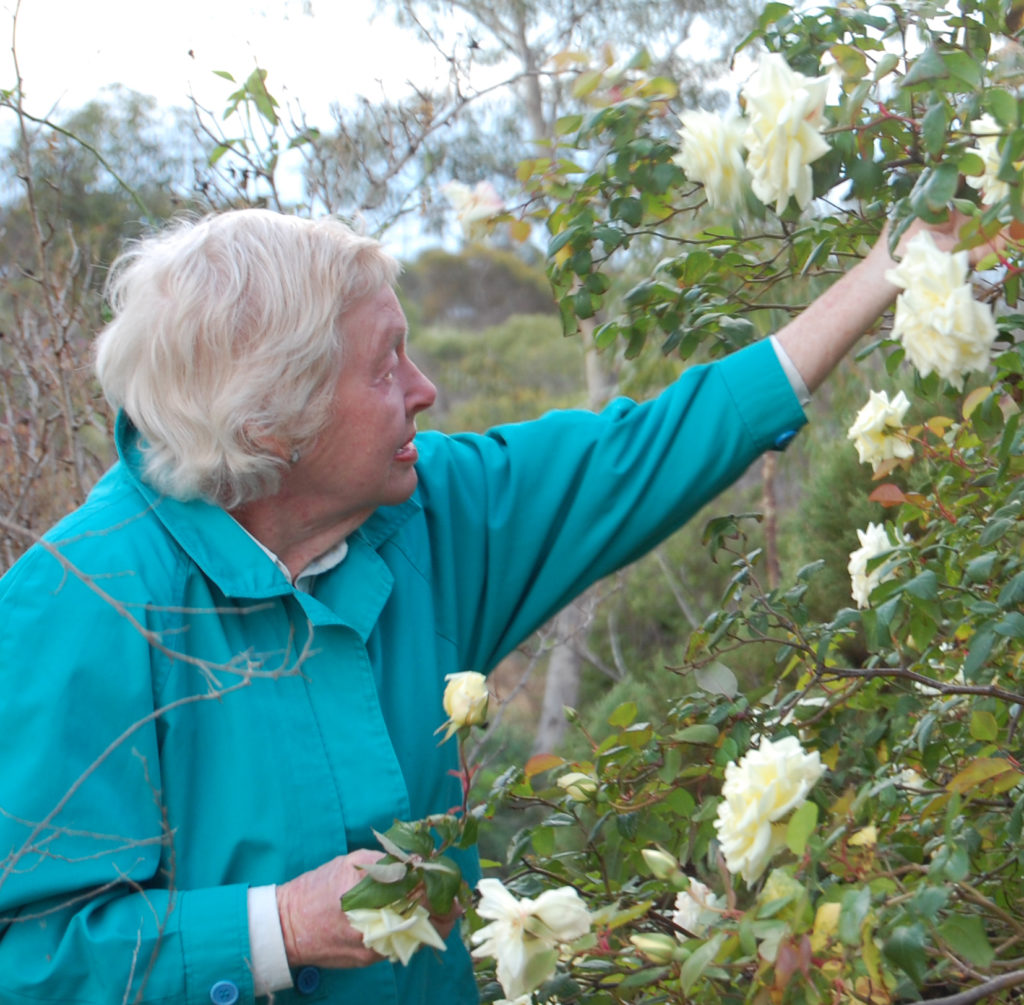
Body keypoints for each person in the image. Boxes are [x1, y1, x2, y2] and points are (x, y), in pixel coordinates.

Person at [0, 207, 994, 1004]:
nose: (424, 389)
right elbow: (29, 957)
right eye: (384, 365)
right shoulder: (75, 607)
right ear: (270, 422)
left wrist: (889, 268)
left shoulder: (421, 513)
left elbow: (646, 451)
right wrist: (281, 927)